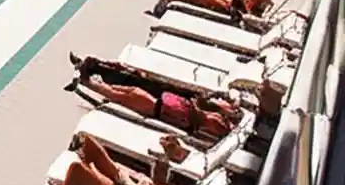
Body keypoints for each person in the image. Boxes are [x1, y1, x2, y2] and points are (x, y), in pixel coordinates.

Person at [67, 55, 240, 138]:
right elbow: (203, 110)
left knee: (116, 94)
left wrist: (216, 111)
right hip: (160, 99)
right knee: (120, 88)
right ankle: (86, 73)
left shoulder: (202, 123)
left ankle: (84, 81)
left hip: (155, 106)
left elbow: (198, 120)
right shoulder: (212, 116)